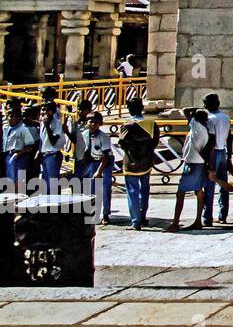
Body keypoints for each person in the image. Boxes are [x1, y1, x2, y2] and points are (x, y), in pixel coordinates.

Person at [166, 109, 211, 233]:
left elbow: (185, 110)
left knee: (180, 193)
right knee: (199, 191)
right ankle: (198, 220)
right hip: (199, 163)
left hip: (193, 164)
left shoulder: (197, 127)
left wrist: (193, 111)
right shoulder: (202, 129)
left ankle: (175, 222)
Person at [119, 98, 157, 231]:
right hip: (146, 161)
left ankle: (135, 221)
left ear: (129, 109)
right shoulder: (151, 124)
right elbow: (155, 142)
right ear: (142, 108)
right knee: (144, 190)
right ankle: (143, 216)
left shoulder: (126, 124)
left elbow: (122, 143)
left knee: (132, 192)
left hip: (130, 162)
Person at [202, 93, 231, 225]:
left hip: (212, 153)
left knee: (209, 186)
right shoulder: (225, 118)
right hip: (223, 151)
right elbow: (230, 137)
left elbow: (211, 141)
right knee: (223, 185)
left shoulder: (209, 119)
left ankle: (207, 217)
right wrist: (229, 155)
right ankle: (223, 215)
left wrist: (208, 161)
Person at [82, 112, 115, 225]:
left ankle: (105, 214)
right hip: (92, 162)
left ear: (100, 124)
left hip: (104, 164)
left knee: (105, 189)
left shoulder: (103, 137)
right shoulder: (84, 134)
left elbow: (105, 156)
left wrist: (99, 171)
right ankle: (92, 213)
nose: (93, 124)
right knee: (90, 189)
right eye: (90, 122)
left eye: (96, 122)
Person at [3, 101, 37, 186]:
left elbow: (30, 147)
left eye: (16, 117)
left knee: (19, 183)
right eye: (11, 116)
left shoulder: (24, 129)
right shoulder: (7, 128)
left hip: (19, 158)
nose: (14, 118)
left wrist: (18, 154)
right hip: (8, 156)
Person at [37, 97, 66, 183]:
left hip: (53, 155)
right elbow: (42, 138)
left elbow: (53, 142)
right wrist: (39, 151)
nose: (45, 112)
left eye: (48, 110)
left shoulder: (57, 123)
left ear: (53, 111)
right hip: (45, 155)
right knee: (45, 182)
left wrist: (47, 126)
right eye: (43, 110)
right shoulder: (42, 122)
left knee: (52, 183)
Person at [66, 100, 95, 178]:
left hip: (89, 159)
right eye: (79, 109)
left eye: (82, 109)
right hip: (79, 157)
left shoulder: (93, 124)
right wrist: (67, 132)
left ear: (89, 110)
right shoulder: (77, 123)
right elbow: (74, 140)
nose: (79, 111)